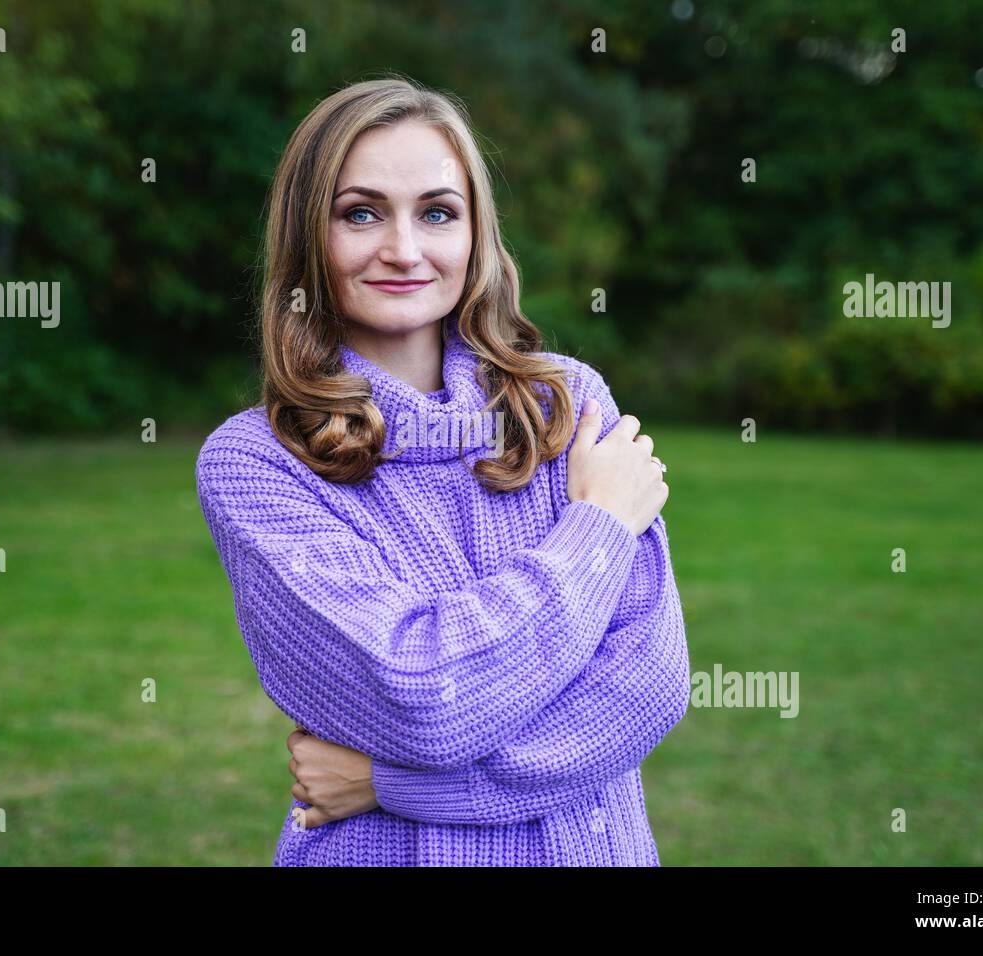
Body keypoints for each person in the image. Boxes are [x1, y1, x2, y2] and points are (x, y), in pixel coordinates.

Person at [195, 75, 690, 866]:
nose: (404, 248)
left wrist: (392, 783)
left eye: (437, 212)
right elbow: (424, 697)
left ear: (476, 235)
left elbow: (644, 692)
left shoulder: (566, 403)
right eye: (361, 213)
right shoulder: (258, 464)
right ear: (305, 239)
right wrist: (596, 528)